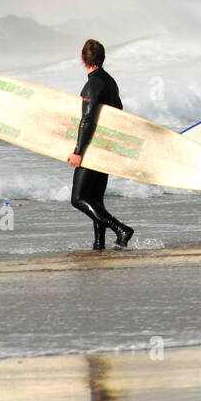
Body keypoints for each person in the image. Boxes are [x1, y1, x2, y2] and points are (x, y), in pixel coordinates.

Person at [67, 39, 134, 250]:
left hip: (93, 149)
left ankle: (121, 229)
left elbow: (87, 119)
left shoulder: (93, 84)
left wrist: (78, 151)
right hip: (106, 147)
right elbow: (119, 112)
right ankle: (99, 244)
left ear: (83, 59)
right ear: (102, 58)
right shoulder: (110, 82)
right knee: (95, 199)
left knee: (78, 199)